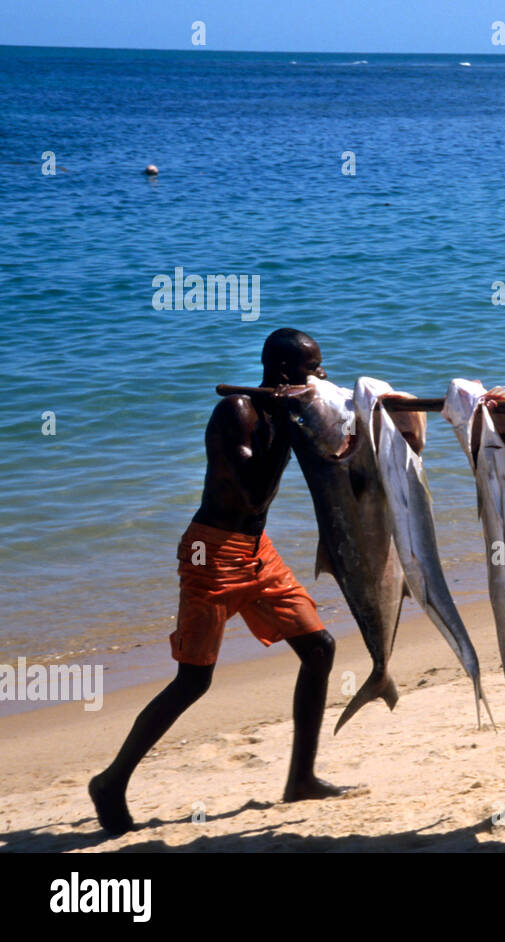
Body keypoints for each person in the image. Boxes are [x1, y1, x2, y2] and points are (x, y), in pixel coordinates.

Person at [90, 328, 352, 835]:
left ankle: (301, 778)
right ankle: (110, 782)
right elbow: (252, 493)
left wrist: (316, 421)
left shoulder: (287, 410)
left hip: (258, 551)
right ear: (281, 374)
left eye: (321, 367)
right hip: (211, 551)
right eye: (312, 368)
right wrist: (292, 422)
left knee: (320, 648)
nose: (320, 375)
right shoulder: (238, 413)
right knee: (194, 680)